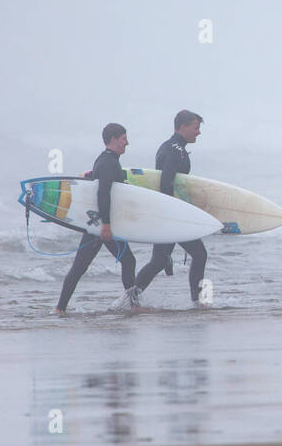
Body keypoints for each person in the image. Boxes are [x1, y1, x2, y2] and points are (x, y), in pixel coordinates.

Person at [54, 123, 138, 313]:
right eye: (124, 139)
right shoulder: (108, 162)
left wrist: (91, 175)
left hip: (96, 222)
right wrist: (106, 225)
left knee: (80, 267)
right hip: (101, 223)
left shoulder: (106, 160)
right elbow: (103, 194)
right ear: (114, 139)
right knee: (127, 260)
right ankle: (133, 306)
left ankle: (60, 308)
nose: (127, 142)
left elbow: (101, 182)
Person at [133, 110, 209, 304]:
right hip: (170, 215)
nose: (198, 132)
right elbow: (166, 183)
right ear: (183, 127)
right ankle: (198, 301)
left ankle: (131, 298)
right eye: (196, 128)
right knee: (199, 255)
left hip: (165, 213)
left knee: (158, 261)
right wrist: (173, 216)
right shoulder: (176, 151)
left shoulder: (170, 146)